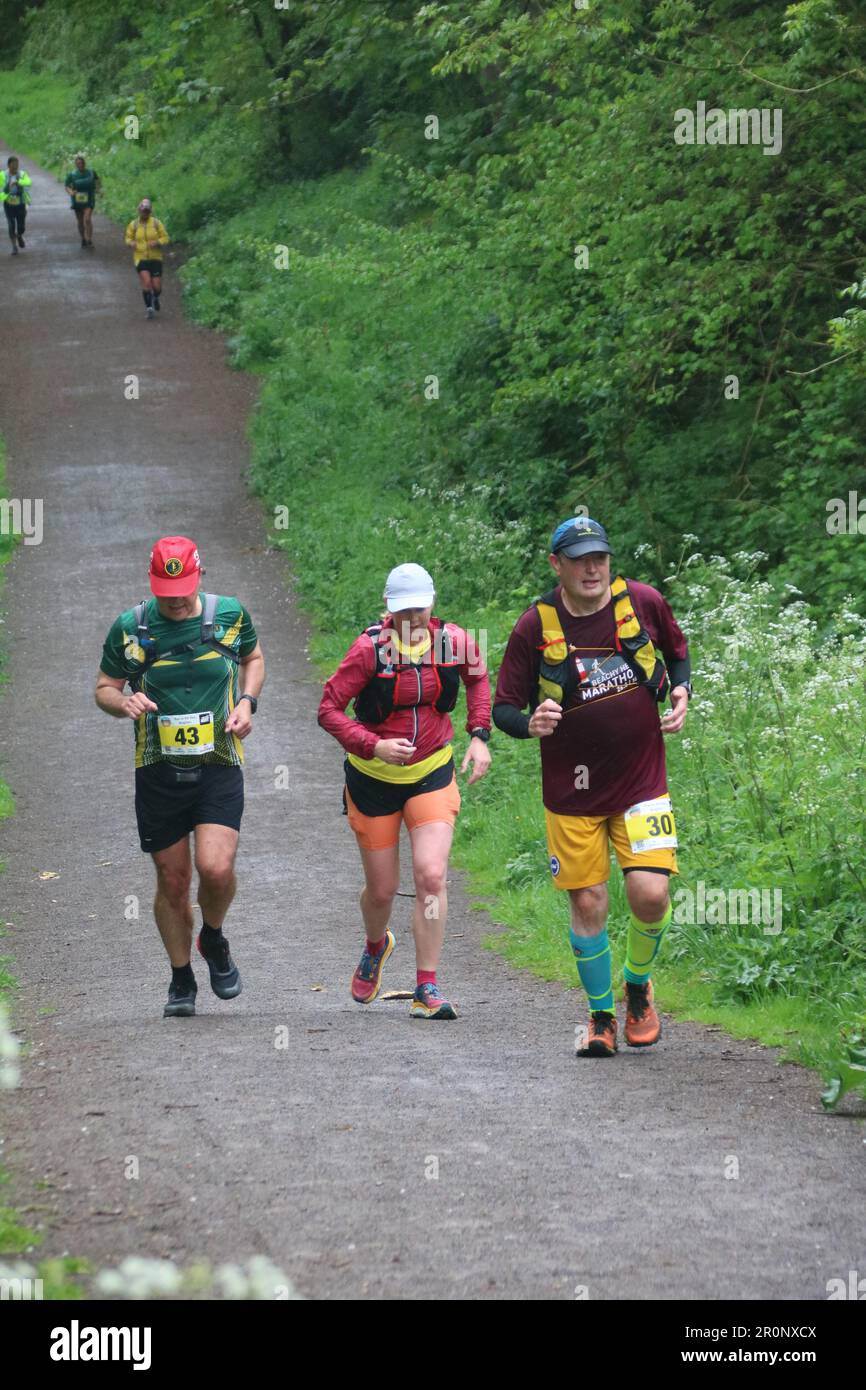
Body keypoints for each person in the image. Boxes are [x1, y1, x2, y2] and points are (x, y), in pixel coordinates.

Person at [493, 517, 691, 1056]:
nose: (593, 567)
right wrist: (527, 723)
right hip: (572, 794)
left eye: (600, 556)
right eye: (580, 558)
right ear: (556, 564)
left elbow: (676, 651)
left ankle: (637, 987)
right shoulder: (534, 627)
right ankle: (602, 1016)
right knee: (590, 903)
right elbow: (504, 707)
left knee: (650, 893)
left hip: (642, 783)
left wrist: (683, 690)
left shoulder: (643, 602)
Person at [95, 537, 265, 1018]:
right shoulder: (131, 628)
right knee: (173, 879)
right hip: (157, 769)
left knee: (215, 868)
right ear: (153, 583)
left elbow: (253, 658)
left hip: (219, 763)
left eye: (185, 587)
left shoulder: (229, 615)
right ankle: (180, 978)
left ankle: (212, 937)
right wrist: (122, 702)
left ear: (200, 575)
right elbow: (104, 687)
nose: (176, 598)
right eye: (167, 589)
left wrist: (248, 702)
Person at [318, 563, 492, 1020]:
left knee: (431, 876)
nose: (412, 619)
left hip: (431, 773)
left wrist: (478, 734)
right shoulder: (367, 651)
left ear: (432, 604)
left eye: (419, 609)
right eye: (403, 611)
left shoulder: (454, 641)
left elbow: (477, 678)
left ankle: (426, 987)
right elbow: (328, 709)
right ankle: (376, 946)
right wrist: (372, 744)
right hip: (373, 781)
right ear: (388, 609)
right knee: (382, 891)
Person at [124, 199, 169, 318]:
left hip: (156, 258)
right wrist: (131, 243)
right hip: (140, 258)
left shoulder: (156, 223)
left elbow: (165, 237)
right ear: (139, 210)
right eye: (143, 211)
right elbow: (127, 238)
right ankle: (149, 308)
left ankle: (155, 297)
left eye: (147, 211)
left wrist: (158, 242)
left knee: (157, 287)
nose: (145, 213)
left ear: (150, 211)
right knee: (147, 283)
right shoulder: (133, 224)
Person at [64, 153, 101, 249]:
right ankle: (83, 238)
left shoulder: (91, 172)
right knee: (80, 222)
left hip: (89, 199)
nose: (80, 165)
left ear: (84, 163)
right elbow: (67, 186)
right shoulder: (72, 175)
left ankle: (89, 239)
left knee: (87, 219)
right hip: (77, 200)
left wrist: (98, 189)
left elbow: (97, 180)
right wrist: (71, 192)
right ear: (75, 165)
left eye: (82, 163)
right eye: (78, 163)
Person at [1, 156, 32, 256]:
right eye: (13, 164)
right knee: (11, 225)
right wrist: (7, 189)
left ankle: (19, 235)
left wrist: (18, 182)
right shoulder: (2, 175)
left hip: (20, 203)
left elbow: (29, 182)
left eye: (17, 164)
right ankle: (14, 247)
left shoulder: (22, 174)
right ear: (9, 165)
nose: (15, 166)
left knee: (21, 226)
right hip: (8, 203)